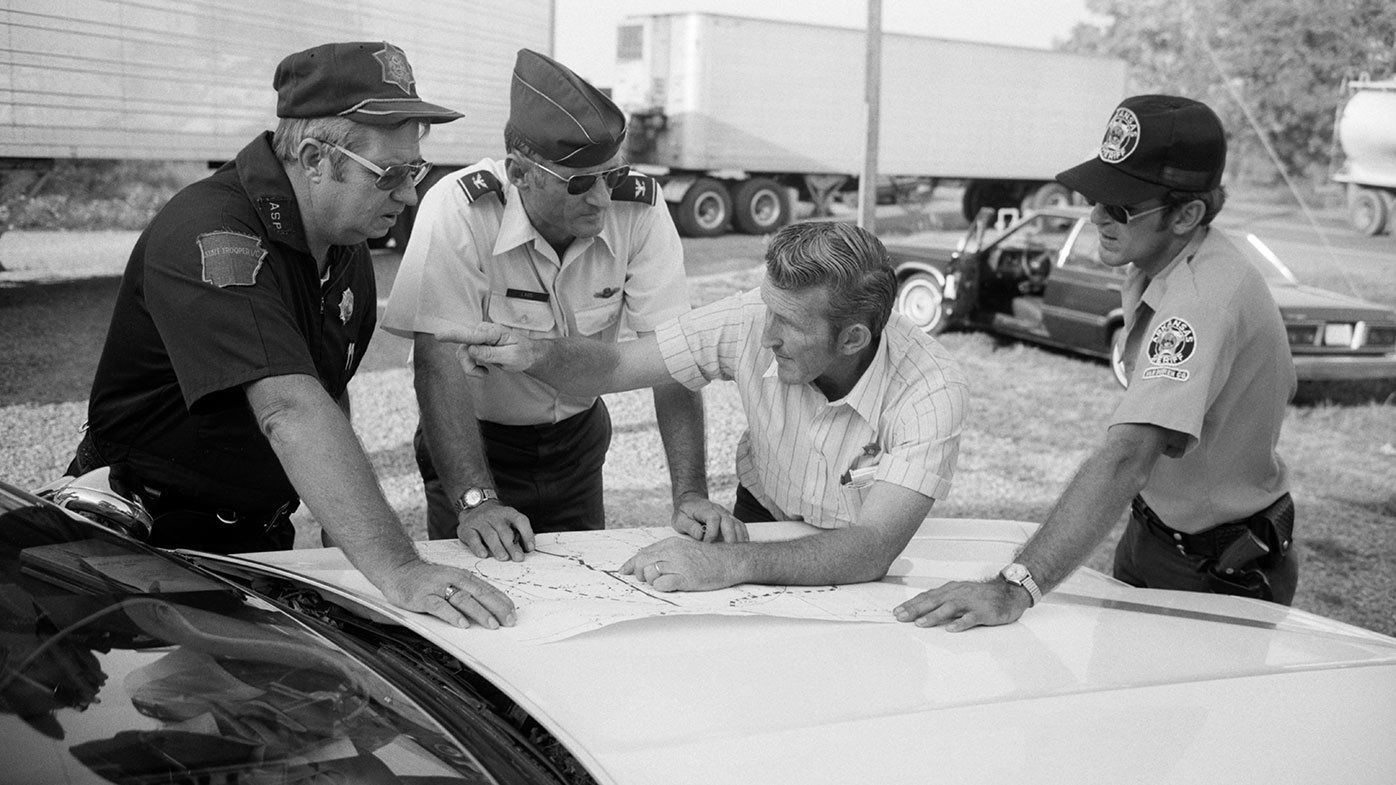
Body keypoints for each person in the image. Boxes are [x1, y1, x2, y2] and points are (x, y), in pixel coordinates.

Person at [67, 41, 515, 630]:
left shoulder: (342, 239)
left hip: (258, 534)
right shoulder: (213, 234)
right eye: (392, 174)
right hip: (143, 542)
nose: (408, 195)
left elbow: (327, 388)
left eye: (418, 171)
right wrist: (398, 567)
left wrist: (345, 536)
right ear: (313, 158)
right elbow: (288, 407)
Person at [895, 94, 1298, 632]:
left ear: (1188, 214)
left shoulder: (1203, 301)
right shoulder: (1162, 263)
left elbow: (1127, 457)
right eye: (1097, 197)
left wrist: (1015, 586)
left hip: (1215, 567)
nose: (1096, 216)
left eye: (1121, 207)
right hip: (1158, 535)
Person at [440, 221, 970, 592]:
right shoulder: (753, 318)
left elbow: (872, 548)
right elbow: (617, 366)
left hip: (850, 552)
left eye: (788, 325)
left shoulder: (931, 389)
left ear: (853, 338)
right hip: (762, 517)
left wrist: (723, 565)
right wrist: (533, 352)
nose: (765, 337)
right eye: (767, 310)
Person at [382, 49, 721, 561]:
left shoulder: (640, 211)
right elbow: (437, 364)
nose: (603, 200)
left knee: (583, 581)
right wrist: (477, 501)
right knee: (479, 590)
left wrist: (690, 493)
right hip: (476, 442)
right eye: (580, 183)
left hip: (578, 443)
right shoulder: (461, 207)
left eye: (611, 175)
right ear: (519, 173)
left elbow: (672, 358)